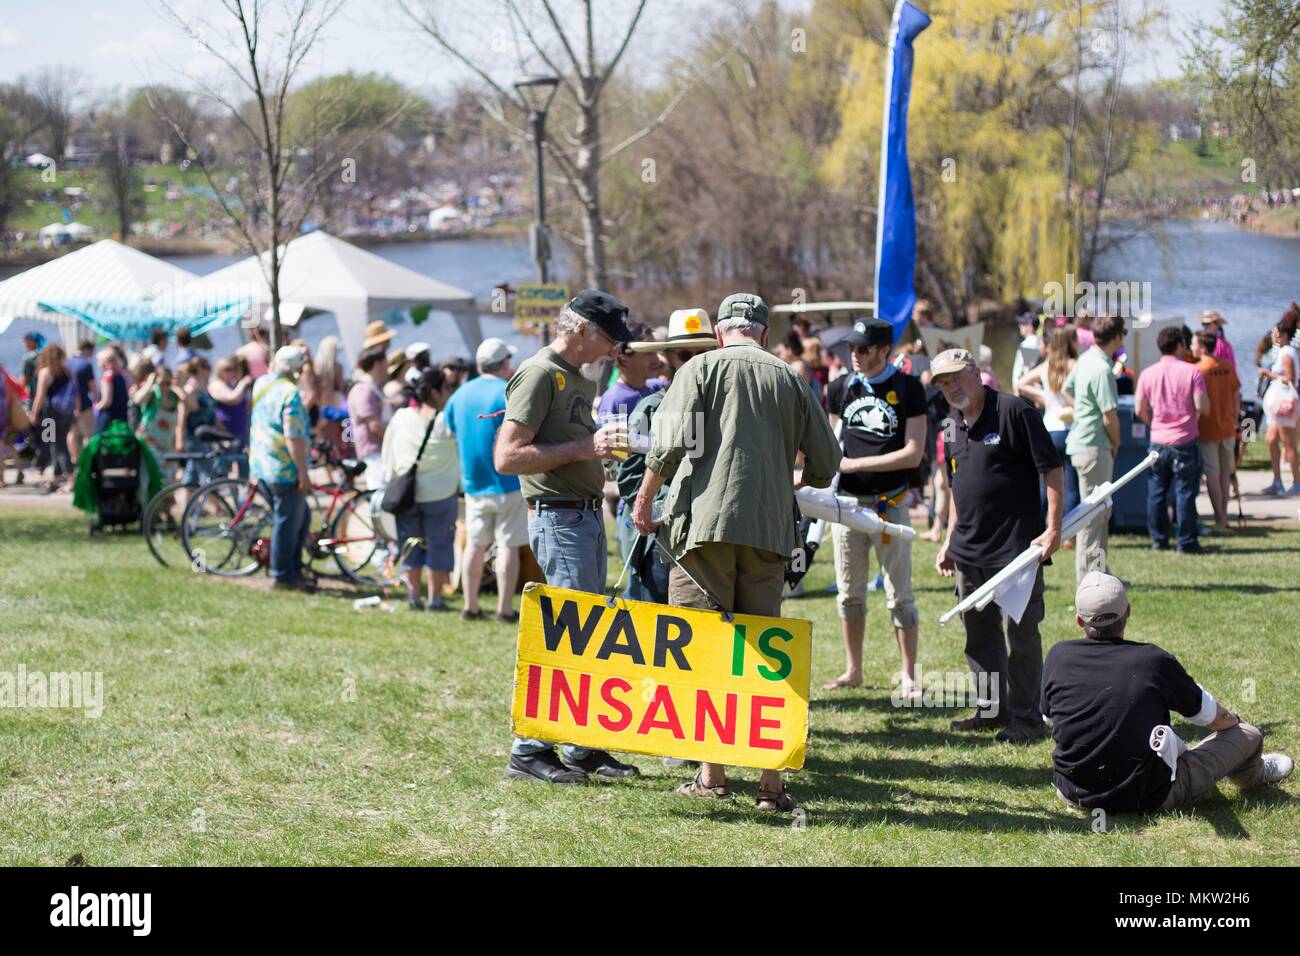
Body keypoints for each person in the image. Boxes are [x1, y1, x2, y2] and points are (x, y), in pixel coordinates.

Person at [633, 293, 842, 812]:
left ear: (721, 331)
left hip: (703, 529)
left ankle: (714, 776)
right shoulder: (792, 378)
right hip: (770, 533)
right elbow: (827, 461)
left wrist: (644, 500)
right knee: (764, 656)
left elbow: (671, 443)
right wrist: (787, 477)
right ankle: (771, 784)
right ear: (765, 335)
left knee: (703, 651)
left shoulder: (700, 368)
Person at [494, 289, 638, 785]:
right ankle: (529, 750)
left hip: (581, 517)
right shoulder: (539, 373)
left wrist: (595, 452)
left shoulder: (575, 376)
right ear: (582, 331)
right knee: (569, 636)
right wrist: (586, 446)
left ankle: (580, 744)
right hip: (558, 519)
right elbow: (507, 457)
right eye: (609, 339)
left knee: (588, 634)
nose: (614, 349)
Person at [1043, 572, 1293, 812]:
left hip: (1074, 793)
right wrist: (1234, 723)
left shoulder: (1057, 656)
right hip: (1149, 795)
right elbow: (1210, 717)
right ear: (1128, 612)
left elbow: (1050, 717)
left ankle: (1228, 766)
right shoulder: (1153, 661)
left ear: (1078, 620)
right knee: (1247, 735)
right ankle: (1251, 773)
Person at [933, 348, 1063, 744]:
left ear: (976, 373)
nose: (951, 387)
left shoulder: (1015, 412)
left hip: (1015, 551)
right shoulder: (950, 426)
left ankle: (1027, 719)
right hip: (969, 552)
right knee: (979, 637)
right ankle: (992, 711)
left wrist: (1054, 529)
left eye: (957, 377)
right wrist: (949, 540)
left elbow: (1051, 469)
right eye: (943, 382)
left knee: (1021, 636)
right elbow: (957, 487)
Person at [821, 318, 926, 696]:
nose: (855, 355)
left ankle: (910, 675)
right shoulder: (839, 388)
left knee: (900, 594)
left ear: (885, 350)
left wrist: (856, 464)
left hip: (890, 505)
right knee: (849, 593)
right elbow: (831, 446)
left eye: (863, 349)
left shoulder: (908, 388)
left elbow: (913, 455)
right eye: (851, 348)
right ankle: (853, 670)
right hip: (846, 505)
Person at [615, 309, 717, 603]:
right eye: (686, 354)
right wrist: (668, 504)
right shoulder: (650, 408)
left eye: (702, 353)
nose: (694, 361)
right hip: (663, 540)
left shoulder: (727, 405)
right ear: (670, 358)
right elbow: (631, 478)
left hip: (715, 539)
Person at [443, 337, 529, 623]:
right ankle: (504, 609)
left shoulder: (458, 395)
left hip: (474, 483)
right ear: (504, 362)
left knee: (475, 545)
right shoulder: (508, 391)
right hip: (508, 480)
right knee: (507, 546)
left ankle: (470, 605)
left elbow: (449, 433)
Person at [383, 367, 459, 612]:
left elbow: (389, 451)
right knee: (439, 545)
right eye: (447, 387)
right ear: (435, 392)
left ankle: (414, 597)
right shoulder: (446, 420)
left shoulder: (402, 416)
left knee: (410, 545)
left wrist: (391, 477)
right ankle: (435, 599)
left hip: (407, 492)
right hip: (440, 492)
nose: (450, 392)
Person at [1135, 326, 1209, 553]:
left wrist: (1153, 423)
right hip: (1185, 439)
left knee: (1157, 491)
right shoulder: (1192, 372)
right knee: (1185, 492)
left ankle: (1158, 538)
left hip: (1158, 440)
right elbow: (1202, 406)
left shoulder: (1148, 373)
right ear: (1179, 345)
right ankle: (1186, 541)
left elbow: (1139, 409)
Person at [1064, 314, 1125, 578]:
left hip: (1082, 443)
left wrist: (1082, 410)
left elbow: (1067, 388)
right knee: (1093, 517)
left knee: (1097, 513)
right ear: (1118, 337)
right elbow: (1109, 416)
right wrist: (1117, 441)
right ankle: (1088, 579)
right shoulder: (1102, 369)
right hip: (1094, 446)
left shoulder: (1085, 360)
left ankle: (1099, 571)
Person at [250, 346, 314, 590]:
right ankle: (284, 575)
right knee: (288, 521)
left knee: (300, 517)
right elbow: (293, 437)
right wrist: (302, 472)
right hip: (283, 468)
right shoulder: (291, 393)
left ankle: (292, 568)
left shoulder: (261, 384)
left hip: (261, 464)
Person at [1016, 324, 1080, 522]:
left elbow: (1021, 382)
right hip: (1069, 427)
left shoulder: (1047, 366)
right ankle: (1069, 530)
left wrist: (1045, 396)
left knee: (1046, 483)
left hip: (1048, 428)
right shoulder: (1075, 365)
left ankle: (1039, 524)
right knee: (1070, 484)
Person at [1191, 329, 1241, 528]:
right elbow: (1236, 397)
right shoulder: (1227, 367)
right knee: (1225, 473)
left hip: (1207, 428)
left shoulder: (1197, 370)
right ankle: (1225, 514)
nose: (1191, 347)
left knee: (1212, 472)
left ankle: (1219, 516)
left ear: (1202, 348)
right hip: (1228, 427)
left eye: (1194, 344)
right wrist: (1235, 419)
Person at [29, 343, 80, 493]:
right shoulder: (66, 371)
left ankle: (71, 479)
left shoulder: (45, 372)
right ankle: (56, 478)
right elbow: (75, 392)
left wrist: (34, 414)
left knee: (56, 446)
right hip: (66, 413)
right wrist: (76, 410)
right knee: (58, 444)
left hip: (51, 414)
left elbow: (40, 396)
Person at [1259, 322, 1299, 495]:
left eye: (1275, 333)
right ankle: (1277, 480)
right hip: (1276, 407)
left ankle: (1297, 482)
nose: (1272, 336)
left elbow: (1290, 378)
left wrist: (1269, 374)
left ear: (1283, 335)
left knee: (1288, 444)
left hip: (1285, 406)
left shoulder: (1287, 353)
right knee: (1270, 439)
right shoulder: (1283, 352)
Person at [597, 321, 663, 421]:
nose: (657, 360)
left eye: (656, 352)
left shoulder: (655, 388)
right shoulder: (615, 400)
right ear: (623, 359)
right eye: (649, 353)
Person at [348, 347, 391, 491]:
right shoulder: (363, 390)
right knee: (380, 491)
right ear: (377, 364)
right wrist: (394, 440)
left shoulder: (373, 387)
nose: (388, 366)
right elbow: (374, 425)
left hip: (379, 448)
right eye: (386, 362)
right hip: (373, 450)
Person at [177, 356, 220, 485]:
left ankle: (186, 505)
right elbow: (182, 415)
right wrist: (179, 438)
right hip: (195, 436)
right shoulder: (191, 388)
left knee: (191, 478)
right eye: (207, 367)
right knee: (208, 474)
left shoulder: (204, 386)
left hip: (205, 436)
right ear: (200, 369)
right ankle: (218, 505)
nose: (210, 370)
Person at [133, 363, 183, 468]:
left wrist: (179, 386)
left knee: (171, 478)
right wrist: (150, 383)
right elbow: (137, 400)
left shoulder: (174, 397)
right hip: (150, 444)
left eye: (168, 383)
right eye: (162, 383)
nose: (165, 386)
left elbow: (190, 405)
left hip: (169, 444)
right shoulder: (151, 394)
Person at [210, 357, 253, 476]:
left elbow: (247, 404)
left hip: (241, 431)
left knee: (244, 465)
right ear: (219, 370)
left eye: (233, 369)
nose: (232, 372)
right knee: (224, 467)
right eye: (228, 369)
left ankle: (243, 491)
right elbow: (232, 398)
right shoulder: (216, 385)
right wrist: (243, 383)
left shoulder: (235, 384)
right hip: (226, 433)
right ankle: (219, 490)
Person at [66, 340, 98, 466]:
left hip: (69, 406)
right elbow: (93, 387)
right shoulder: (86, 364)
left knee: (72, 433)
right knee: (88, 435)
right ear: (87, 349)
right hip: (84, 405)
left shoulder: (67, 363)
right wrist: (97, 400)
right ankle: (87, 461)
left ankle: (74, 459)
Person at [94, 347, 130, 434]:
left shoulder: (107, 377)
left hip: (108, 417)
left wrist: (96, 408)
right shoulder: (122, 375)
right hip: (122, 415)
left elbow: (107, 401)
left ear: (105, 362)